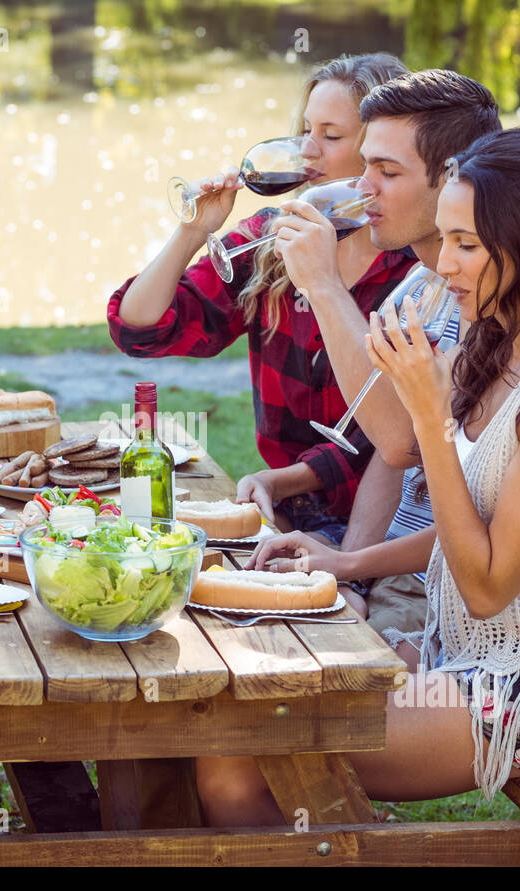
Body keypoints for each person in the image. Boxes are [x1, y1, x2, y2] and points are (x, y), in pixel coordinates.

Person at [196, 126, 520, 824]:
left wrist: (429, 420)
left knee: (245, 745)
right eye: (443, 238)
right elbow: (475, 524)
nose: (443, 265)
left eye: (466, 245)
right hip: (463, 666)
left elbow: (485, 584)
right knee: (228, 725)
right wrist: (349, 559)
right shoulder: (498, 347)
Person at [107, 54, 415, 597]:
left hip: (392, 532)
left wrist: (287, 478)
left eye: (330, 134)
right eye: (304, 130)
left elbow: (394, 438)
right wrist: (192, 232)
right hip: (288, 521)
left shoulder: (418, 268)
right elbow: (141, 329)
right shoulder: (275, 237)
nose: (307, 150)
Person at [254, 69, 502, 627]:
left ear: (453, 180)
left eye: (386, 171)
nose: (363, 187)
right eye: (365, 164)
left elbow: (399, 443)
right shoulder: (417, 284)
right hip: (396, 572)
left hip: (448, 594)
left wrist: (322, 286)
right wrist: (351, 572)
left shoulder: (487, 300)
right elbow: (391, 469)